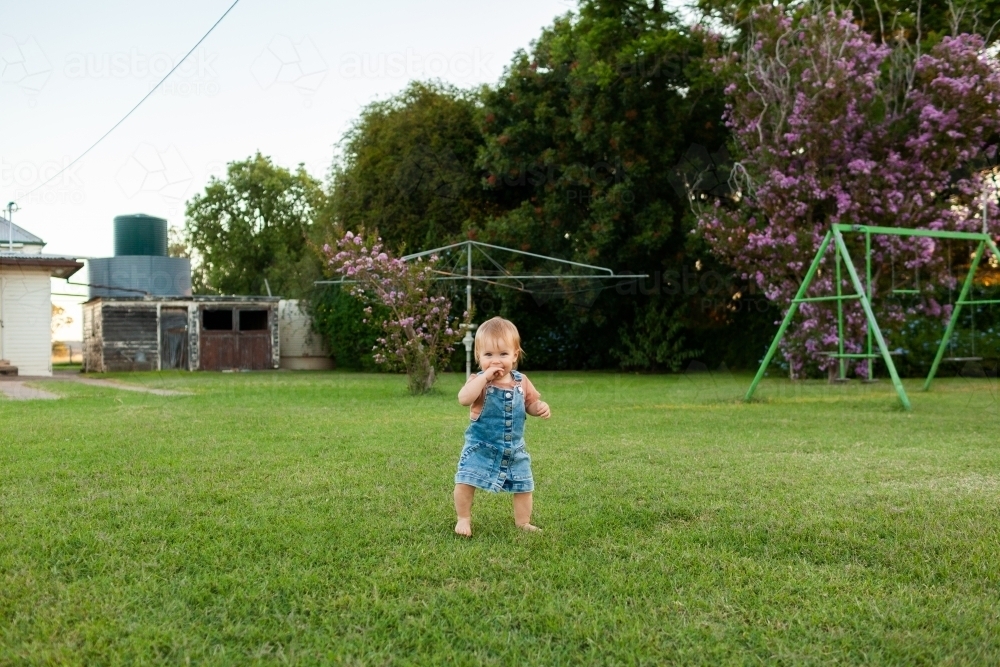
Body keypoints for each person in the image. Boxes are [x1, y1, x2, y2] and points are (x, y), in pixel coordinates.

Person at [454, 316, 551, 537]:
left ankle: (523, 522)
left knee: (524, 485)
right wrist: (484, 377)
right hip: (480, 446)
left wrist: (539, 407)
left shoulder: (521, 381)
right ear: (478, 356)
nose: (495, 361)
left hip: (514, 448)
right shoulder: (478, 381)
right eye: (488, 355)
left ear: (514, 356)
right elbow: (464, 399)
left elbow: (529, 403)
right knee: (465, 479)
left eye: (503, 354)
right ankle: (463, 518)